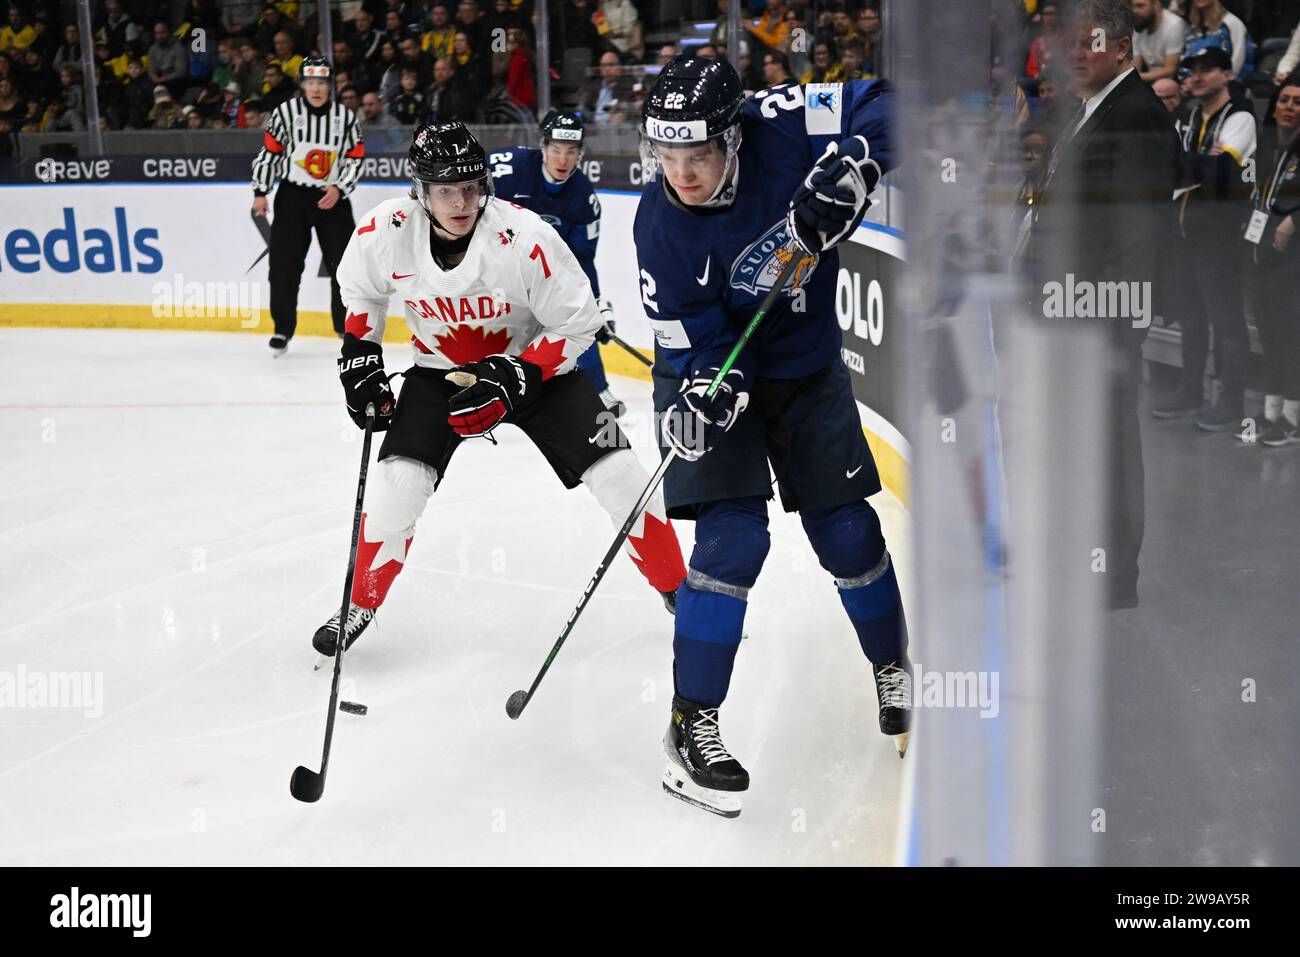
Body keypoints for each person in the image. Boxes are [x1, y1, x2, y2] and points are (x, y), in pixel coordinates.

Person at [635, 56, 907, 817]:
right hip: (710, 371)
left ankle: (893, 662)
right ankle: (692, 722)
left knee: (848, 533)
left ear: (734, 134)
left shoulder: (782, 118)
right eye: (667, 156)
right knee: (731, 543)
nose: (682, 174)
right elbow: (694, 341)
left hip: (807, 369)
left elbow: (884, 102)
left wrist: (860, 159)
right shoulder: (658, 226)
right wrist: (707, 391)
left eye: (698, 154)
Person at [312, 121, 688, 655]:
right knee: (399, 488)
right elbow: (362, 296)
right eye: (445, 190)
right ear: (420, 192)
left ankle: (679, 589)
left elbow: (577, 324)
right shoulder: (385, 230)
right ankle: (361, 601)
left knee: (624, 476)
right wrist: (359, 355)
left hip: (537, 373)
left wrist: (522, 373)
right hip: (438, 371)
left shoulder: (525, 235)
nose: (461, 201)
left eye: (470, 187)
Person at [1017, 0, 1180, 610]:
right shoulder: (1088, 110)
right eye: (1073, 45)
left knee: (1110, 446)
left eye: (1090, 44)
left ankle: (1114, 578)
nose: (1077, 54)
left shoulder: (1134, 115)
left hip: (1099, 316)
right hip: (1071, 308)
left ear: (1120, 50)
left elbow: (1136, 237)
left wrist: (1107, 321)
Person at [489, 110, 626, 417]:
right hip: (496, 266)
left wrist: (596, 304)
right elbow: (467, 183)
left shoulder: (583, 197)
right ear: (543, 147)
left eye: (571, 152)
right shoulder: (510, 168)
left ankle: (598, 391)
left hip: (544, 275)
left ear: (580, 153)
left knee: (579, 316)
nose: (562, 160)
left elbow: (582, 261)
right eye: (555, 150)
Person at [1153, 46, 1256, 430]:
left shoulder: (1240, 117)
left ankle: (1231, 401)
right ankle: (1190, 389)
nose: (1197, 77)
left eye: (1207, 70)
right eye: (1192, 71)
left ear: (1227, 75)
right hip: (1184, 232)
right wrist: (1198, 165)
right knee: (1192, 318)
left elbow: (1222, 172)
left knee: (1225, 320)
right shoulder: (1191, 116)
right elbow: (1166, 167)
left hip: (1219, 235)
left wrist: (1193, 166)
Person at [250, 57, 366, 355]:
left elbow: (355, 158)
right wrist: (261, 191)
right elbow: (270, 153)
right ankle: (282, 329)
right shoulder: (286, 113)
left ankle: (346, 328)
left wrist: (340, 187)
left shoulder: (345, 117)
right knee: (283, 266)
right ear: (302, 85)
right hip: (293, 197)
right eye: (311, 82)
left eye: (322, 83)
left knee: (344, 267)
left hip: (333, 199)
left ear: (330, 86)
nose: (316, 88)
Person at [1245, 79, 1300, 446]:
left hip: (1293, 262)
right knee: (1268, 335)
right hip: (1259, 254)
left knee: (1289, 338)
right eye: (1284, 100)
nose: (1290, 106)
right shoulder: (1266, 148)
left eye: (1298, 102)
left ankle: (1292, 420)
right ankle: (1269, 413)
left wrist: (1295, 218)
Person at [1132, 0, 1186, 85]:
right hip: (1147, 79)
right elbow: (1135, 66)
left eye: (1140, 6)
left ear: (1156, 5)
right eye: (1134, 6)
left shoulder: (1174, 25)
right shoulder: (1139, 25)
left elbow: (1170, 70)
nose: (1135, 11)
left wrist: (1135, 77)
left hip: (1174, 81)